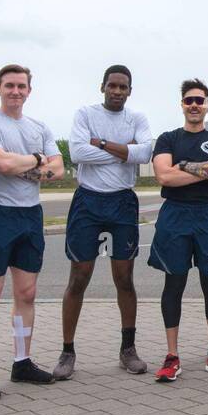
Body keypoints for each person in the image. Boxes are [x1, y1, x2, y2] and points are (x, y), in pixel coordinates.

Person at [0, 64, 66, 401]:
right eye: (9, 86)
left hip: (29, 215)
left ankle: (21, 362)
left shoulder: (39, 126)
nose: (15, 91)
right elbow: (1, 165)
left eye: (21, 86)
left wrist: (27, 164)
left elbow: (59, 169)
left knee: (27, 293)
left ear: (29, 90)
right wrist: (37, 159)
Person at [60, 65, 153, 378]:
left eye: (123, 87)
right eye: (112, 85)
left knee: (124, 278)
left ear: (129, 91)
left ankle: (128, 349)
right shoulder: (85, 114)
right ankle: (67, 351)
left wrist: (99, 144)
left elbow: (144, 154)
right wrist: (123, 152)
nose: (117, 91)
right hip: (88, 200)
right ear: (102, 87)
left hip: (122, 202)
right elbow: (76, 152)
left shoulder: (136, 119)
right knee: (79, 277)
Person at [148, 79, 208, 381]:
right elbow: (164, 177)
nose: (195, 105)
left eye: (200, 100)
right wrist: (203, 169)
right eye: (189, 100)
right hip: (175, 216)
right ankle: (172, 356)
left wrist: (183, 166)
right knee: (174, 284)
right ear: (182, 104)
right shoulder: (168, 139)